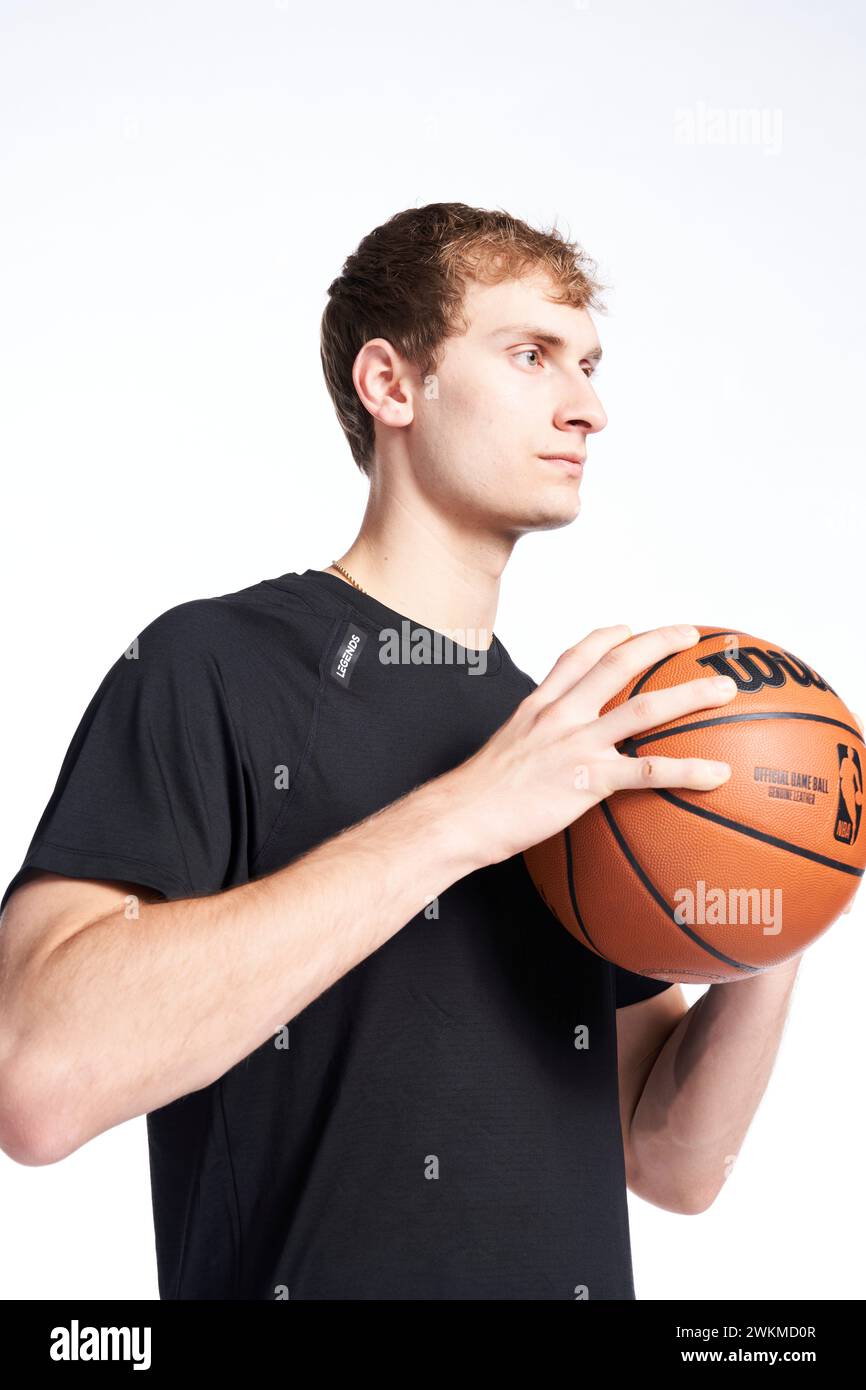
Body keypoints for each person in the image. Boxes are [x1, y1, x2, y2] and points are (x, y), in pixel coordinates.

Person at [0, 202, 801, 1300]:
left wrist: (789, 881)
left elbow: (666, 1159)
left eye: (589, 365)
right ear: (391, 386)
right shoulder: (210, 666)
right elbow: (37, 1080)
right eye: (530, 355)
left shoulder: (564, 739)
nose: (588, 407)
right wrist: (465, 816)